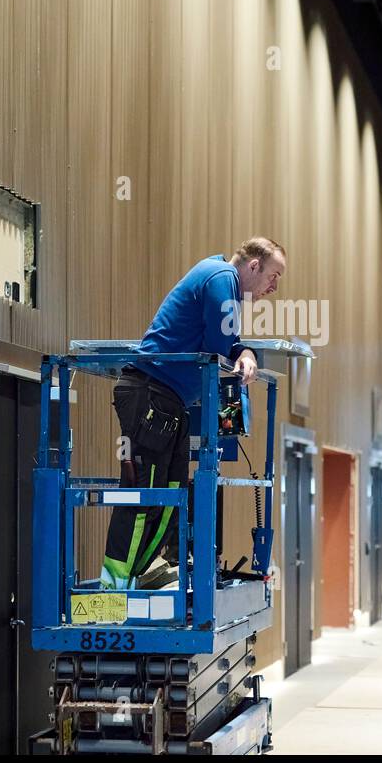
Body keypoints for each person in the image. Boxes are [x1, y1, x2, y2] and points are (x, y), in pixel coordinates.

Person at [99, 238, 286, 590]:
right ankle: (115, 586)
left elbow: (225, 343)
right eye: (273, 276)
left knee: (170, 493)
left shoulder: (222, 284)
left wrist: (244, 350)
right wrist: (240, 351)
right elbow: (217, 347)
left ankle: (141, 572)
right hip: (150, 392)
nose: (273, 288)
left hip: (171, 401)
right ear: (255, 265)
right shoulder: (221, 277)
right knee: (145, 493)